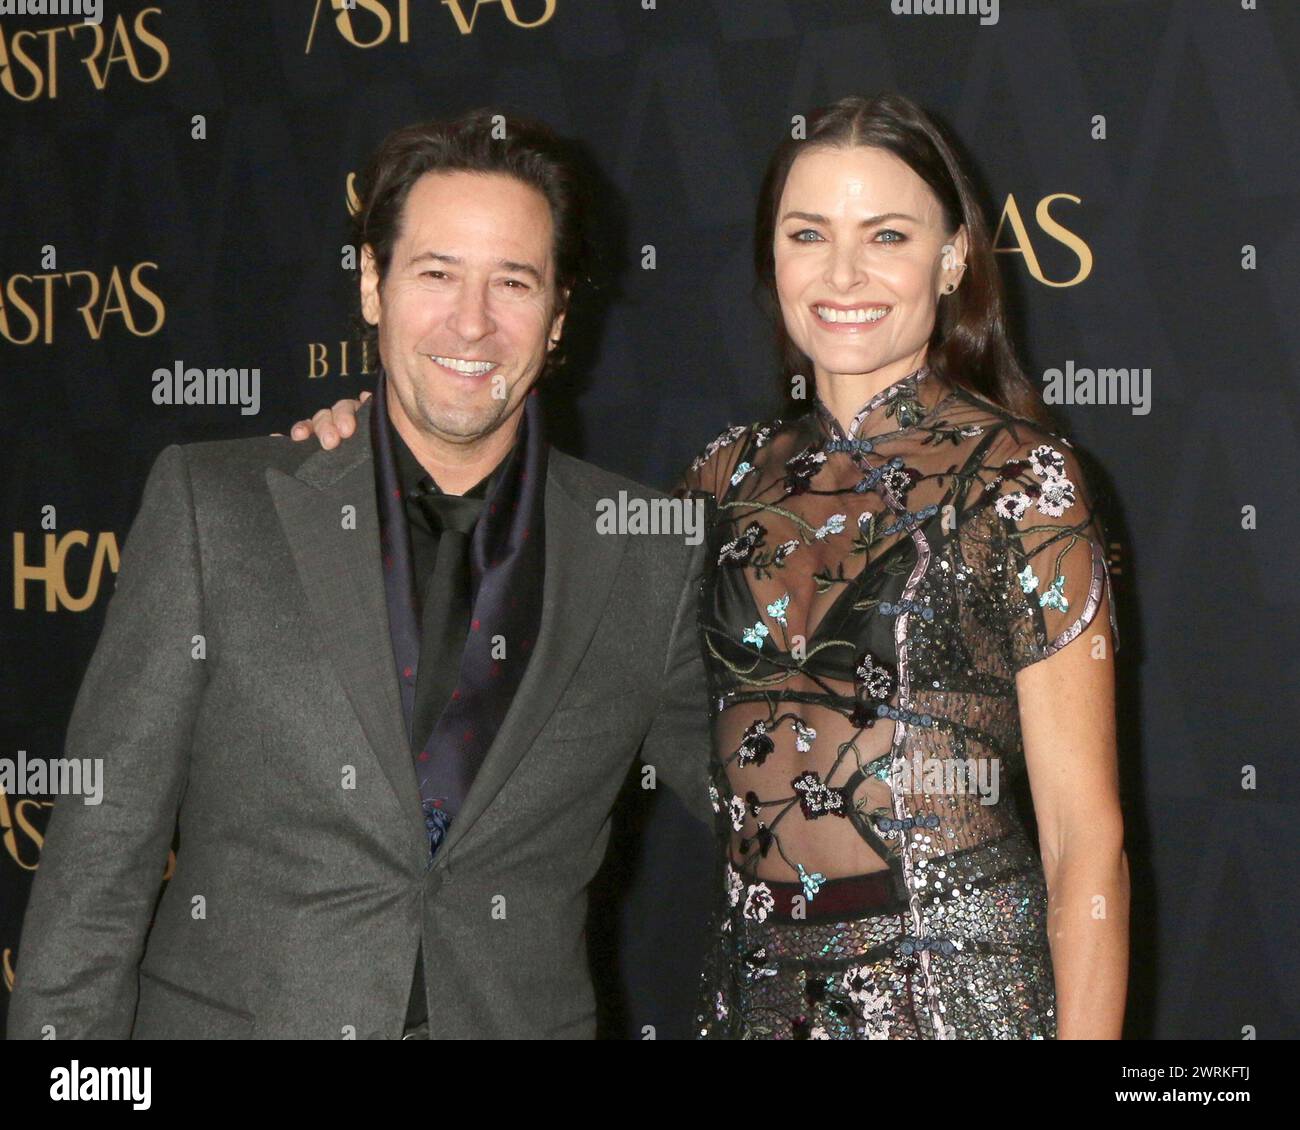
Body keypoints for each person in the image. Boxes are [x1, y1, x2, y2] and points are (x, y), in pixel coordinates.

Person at [296, 94, 1130, 1040]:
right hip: (755, 993)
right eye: (808, 233)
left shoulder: (1023, 480)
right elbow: (523, 530)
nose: (844, 272)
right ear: (772, 260)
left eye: (887, 234)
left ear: (950, 259)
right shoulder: (722, 479)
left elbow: (1084, 842)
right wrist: (363, 448)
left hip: (960, 992)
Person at [8, 109, 713, 1041]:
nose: (472, 321)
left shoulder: (652, 556)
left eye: (513, 282)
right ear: (373, 286)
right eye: (435, 273)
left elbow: (775, 810)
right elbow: (101, 857)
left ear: (558, 317)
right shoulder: (216, 508)